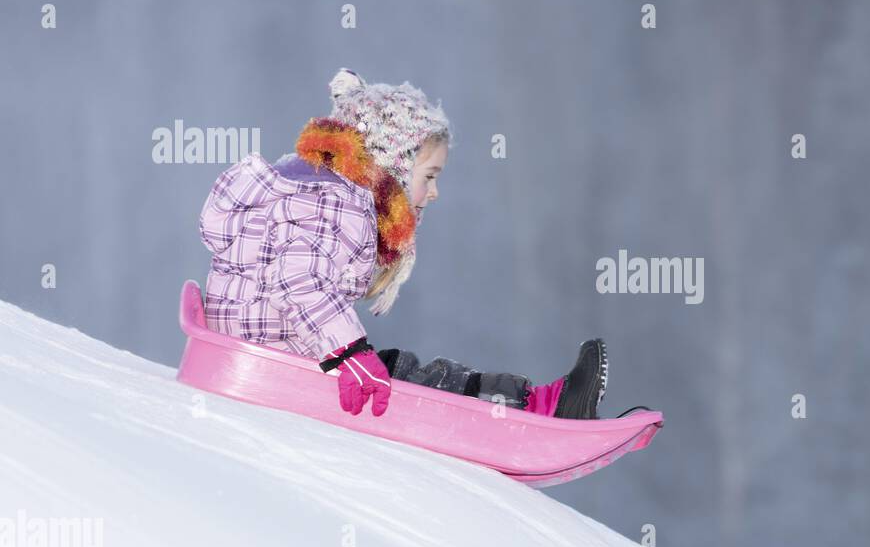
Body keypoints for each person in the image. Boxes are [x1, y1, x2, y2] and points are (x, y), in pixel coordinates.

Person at [198, 68, 607, 419]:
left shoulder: (319, 192)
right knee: (418, 384)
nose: (434, 192)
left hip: (272, 354)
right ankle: (537, 412)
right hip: (276, 369)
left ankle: (536, 403)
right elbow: (299, 280)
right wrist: (349, 354)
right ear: (392, 162)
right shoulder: (336, 203)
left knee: (409, 371)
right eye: (429, 175)